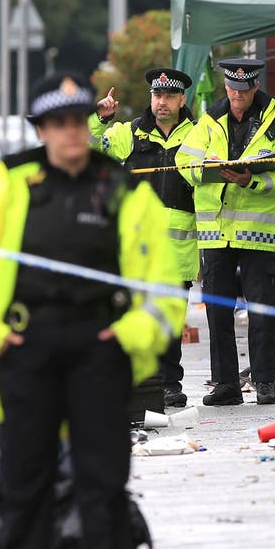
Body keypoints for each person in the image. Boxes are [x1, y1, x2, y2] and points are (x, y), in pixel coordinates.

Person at [0, 72, 185, 549]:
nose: (70, 133)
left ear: (87, 126)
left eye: (78, 121)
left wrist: (127, 339)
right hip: (26, 352)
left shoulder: (124, 191)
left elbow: (163, 290)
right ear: (43, 131)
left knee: (102, 484)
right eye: (58, 124)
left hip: (100, 353)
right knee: (23, 483)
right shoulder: (6, 189)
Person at [176, 58, 275, 407]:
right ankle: (227, 384)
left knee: (261, 310)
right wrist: (205, 172)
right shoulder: (208, 122)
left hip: (256, 232)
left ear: (255, 87)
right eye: (231, 90)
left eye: (243, 91)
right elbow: (185, 163)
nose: (237, 97)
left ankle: (263, 382)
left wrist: (252, 180)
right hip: (215, 232)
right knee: (217, 310)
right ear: (225, 88)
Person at [88, 67, 198, 408]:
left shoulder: (198, 135)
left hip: (178, 249)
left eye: (168, 96)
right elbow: (91, 149)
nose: (160, 102)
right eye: (156, 95)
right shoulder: (129, 133)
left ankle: (169, 384)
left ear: (182, 100)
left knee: (168, 322)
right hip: (135, 247)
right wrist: (99, 118)